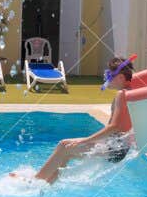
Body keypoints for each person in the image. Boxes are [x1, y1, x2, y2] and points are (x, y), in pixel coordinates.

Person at [32, 55, 137, 184]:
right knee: (66, 152)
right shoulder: (132, 91)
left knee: (64, 145)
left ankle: (34, 182)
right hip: (118, 147)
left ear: (121, 77)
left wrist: (85, 140)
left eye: (110, 75)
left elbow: (115, 126)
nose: (107, 78)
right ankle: (48, 183)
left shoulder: (121, 94)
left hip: (113, 149)